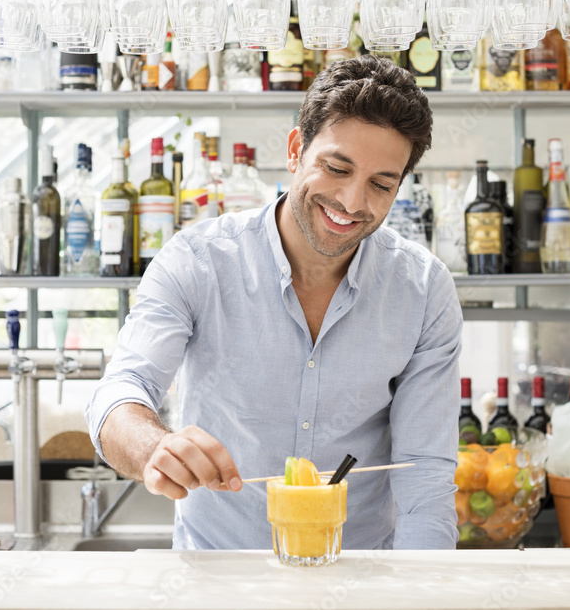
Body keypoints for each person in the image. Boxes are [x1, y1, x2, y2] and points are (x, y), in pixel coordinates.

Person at [85, 55, 462, 550]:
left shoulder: (423, 289)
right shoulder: (197, 261)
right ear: (295, 150)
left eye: (381, 185)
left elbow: (424, 476)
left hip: (360, 582)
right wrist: (154, 447)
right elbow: (119, 393)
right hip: (219, 580)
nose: (351, 201)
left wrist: (425, 593)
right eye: (336, 167)